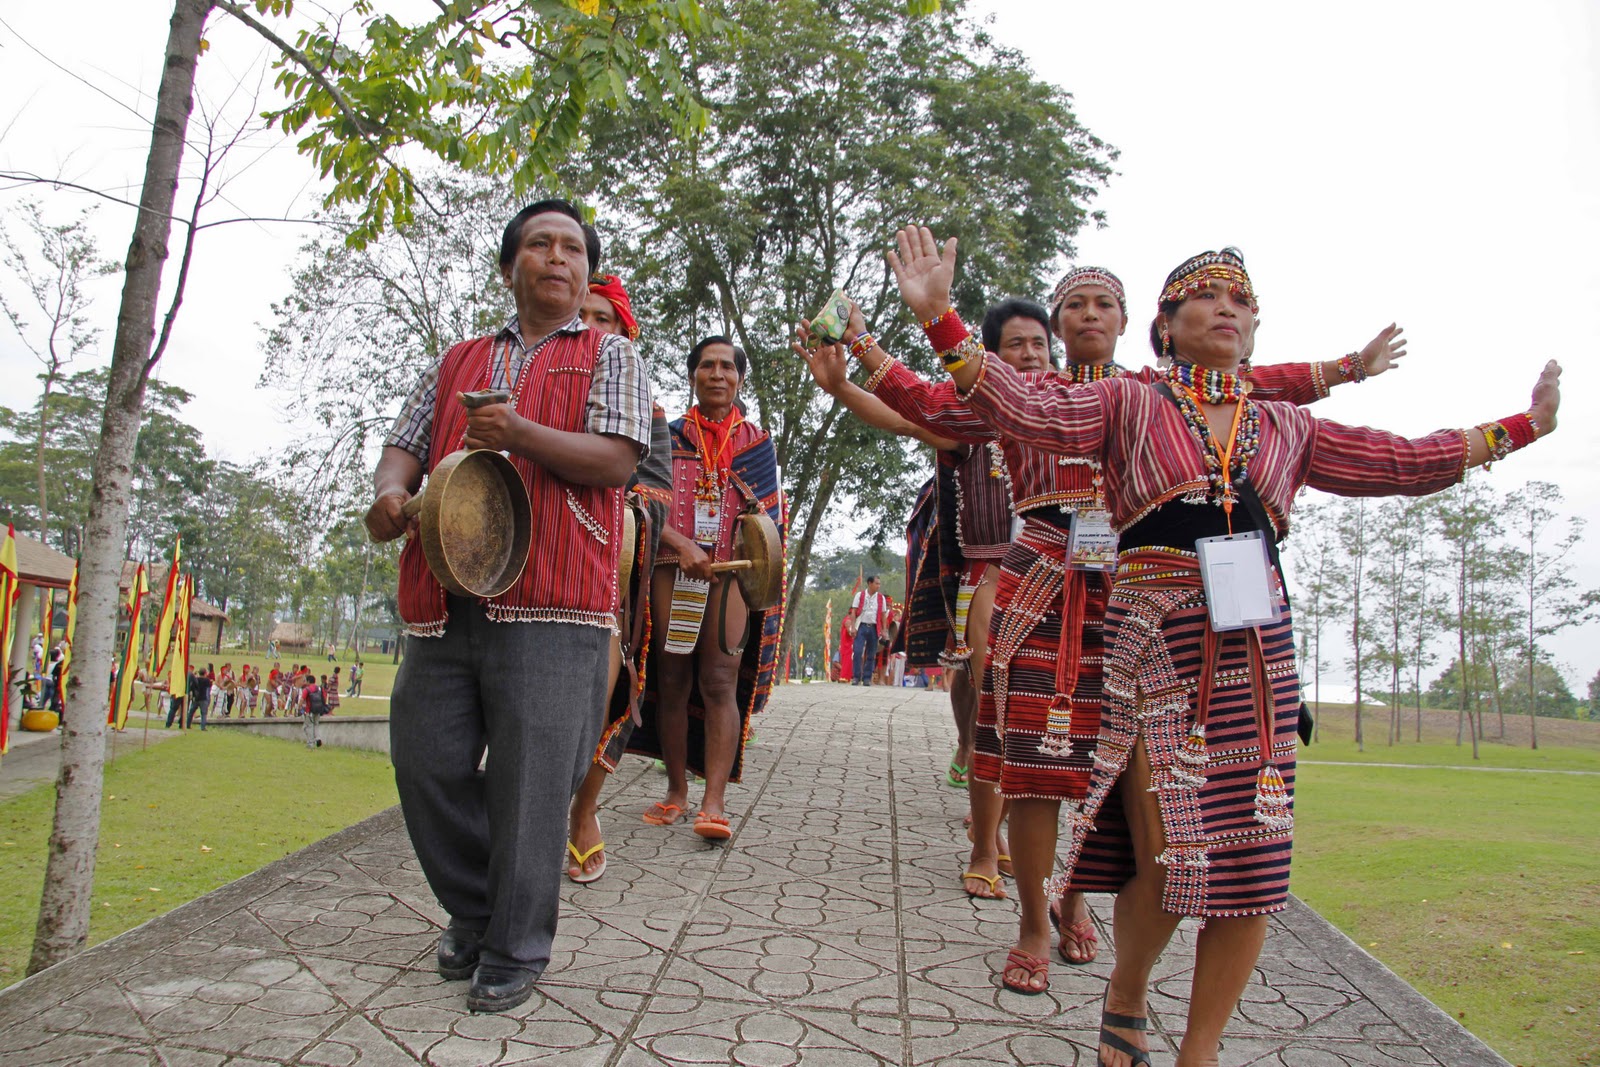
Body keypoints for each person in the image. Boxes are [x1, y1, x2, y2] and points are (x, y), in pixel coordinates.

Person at [884, 226, 1560, 1066]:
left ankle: (1199, 1050)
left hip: (1258, 655)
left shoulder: (1285, 426)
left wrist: (1523, 427)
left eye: (1242, 299)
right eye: (1206, 295)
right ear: (1165, 325)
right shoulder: (1129, 402)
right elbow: (1029, 409)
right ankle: (1128, 988)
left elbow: (1401, 460)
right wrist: (941, 318)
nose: (1227, 308)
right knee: (1172, 852)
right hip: (1156, 644)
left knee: (1255, 868)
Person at [366, 199, 652, 1013]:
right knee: (425, 762)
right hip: (446, 592)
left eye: (572, 249)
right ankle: (476, 907)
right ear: (508, 267)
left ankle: (515, 944)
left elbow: (617, 460)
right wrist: (390, 492)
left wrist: (518, 432)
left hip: (554, 601)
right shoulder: (457, 359)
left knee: (531, 786)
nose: (557, 257)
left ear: (587, 274)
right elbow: (404, 445)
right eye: (540, 244)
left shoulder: (612, 355)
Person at [630, 336, 786, 843]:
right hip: (671, 568)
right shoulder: (667, 436)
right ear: (693, 375)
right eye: (707, 365)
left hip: (730, 574)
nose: (718, 374)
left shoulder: (756, 445)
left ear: (739, 378)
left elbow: (768, 521)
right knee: (672, 679)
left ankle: (713, 802)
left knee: (719, 680)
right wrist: (679, 543)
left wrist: (746, 544)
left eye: (727, 366)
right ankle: (676, 790)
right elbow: (642, 499)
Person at [566, 272, 673, 884]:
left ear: (624, 333)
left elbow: (657, 494)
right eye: (581, 316)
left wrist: (620, 503)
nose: (588, 327)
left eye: (602, 318)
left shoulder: (647, 408)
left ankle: (583, 811)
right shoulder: (540, 386)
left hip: (607, 576)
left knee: (604, 694)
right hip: (533, 570)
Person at [848, 576, 889, 685]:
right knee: (857, 651)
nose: (878, 586)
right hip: (861, 626)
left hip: (874, 627)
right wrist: (853, 627)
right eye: (876, 583)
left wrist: (884, 630)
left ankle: (867, 678)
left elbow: (883, 615)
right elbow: (853, 611)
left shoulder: (881, 598)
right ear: (870, 583)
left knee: (871, 654)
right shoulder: (860, 595)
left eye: (879, 584)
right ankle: (856, 677)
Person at [302, 674, 327, 748]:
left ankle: (310, 743)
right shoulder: (319, 688)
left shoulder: (307, 689)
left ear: (308, 681)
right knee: (316, 724)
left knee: (308, 726)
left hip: (309, 710)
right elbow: (324, 698)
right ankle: (318, 738)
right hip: (318, 710)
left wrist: (299, 707)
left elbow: (302, 699)